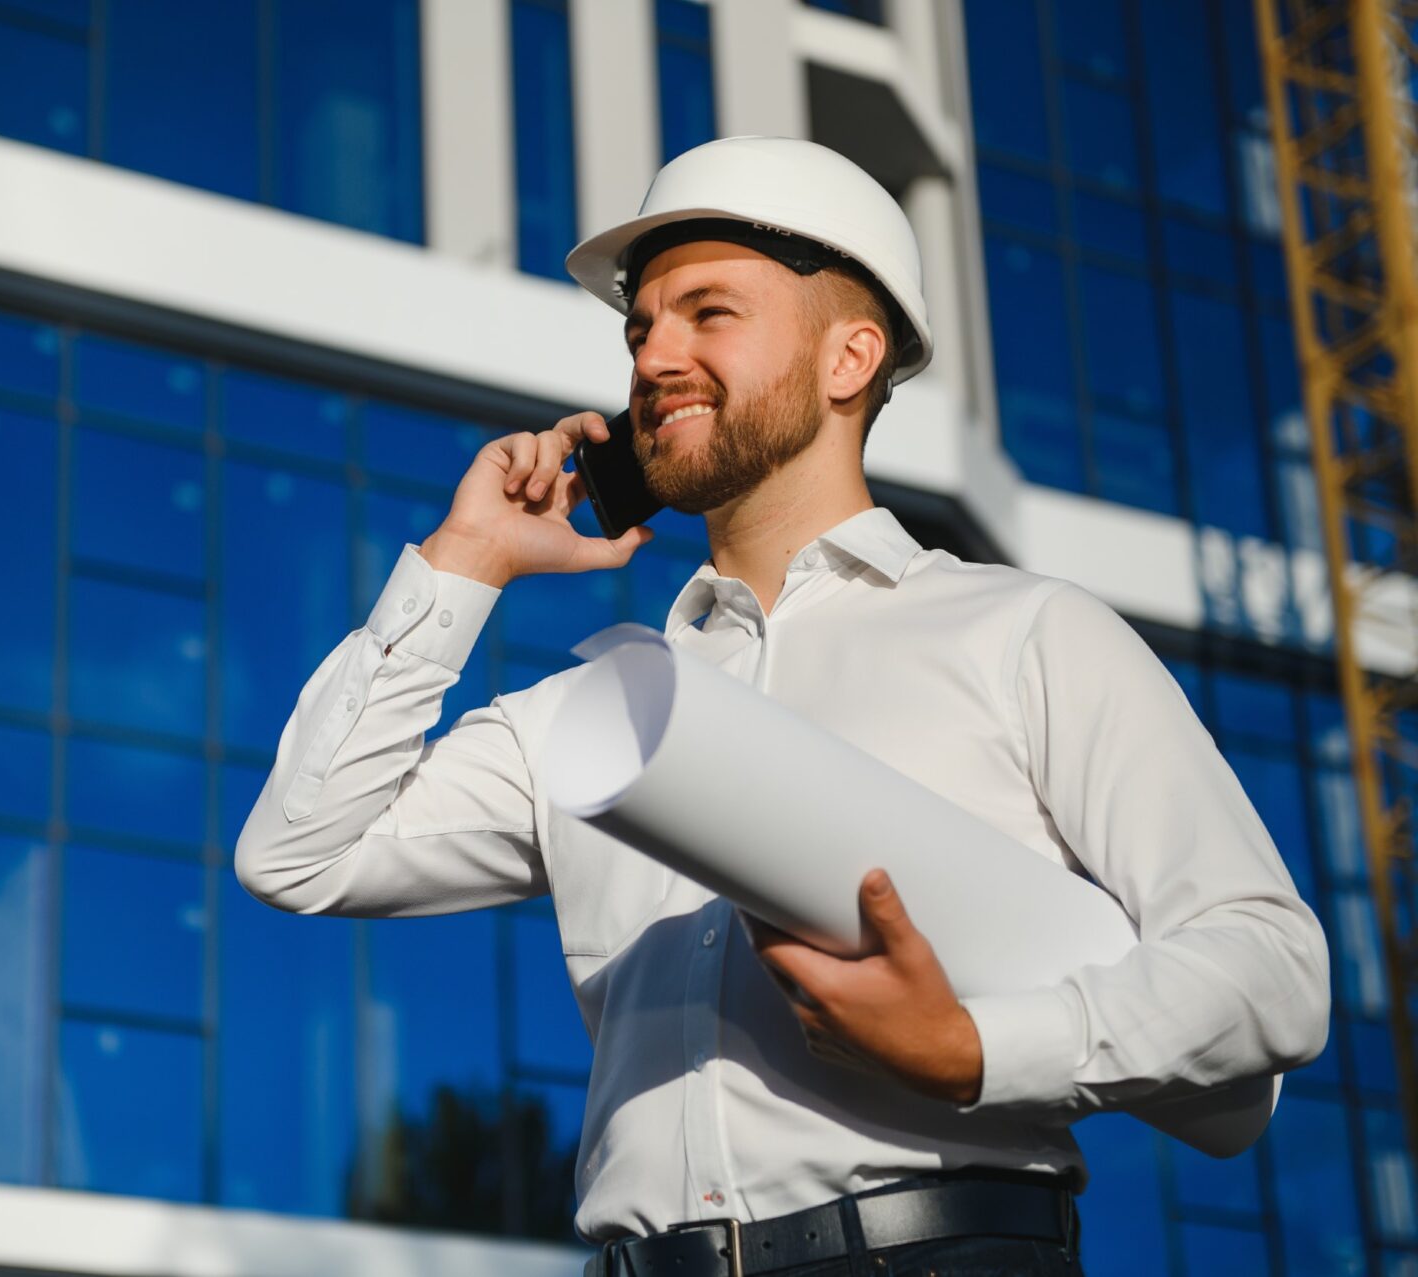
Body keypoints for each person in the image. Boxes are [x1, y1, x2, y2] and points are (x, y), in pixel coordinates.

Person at [234, 136, 1329, 1276]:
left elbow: (1271, 969)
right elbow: (302, 854)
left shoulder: (1024, 634)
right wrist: (465, 561)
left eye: (709, 313)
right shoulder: (599, 712)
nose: (655, 354)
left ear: (850, 356)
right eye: (640, 327)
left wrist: (972, 1047)